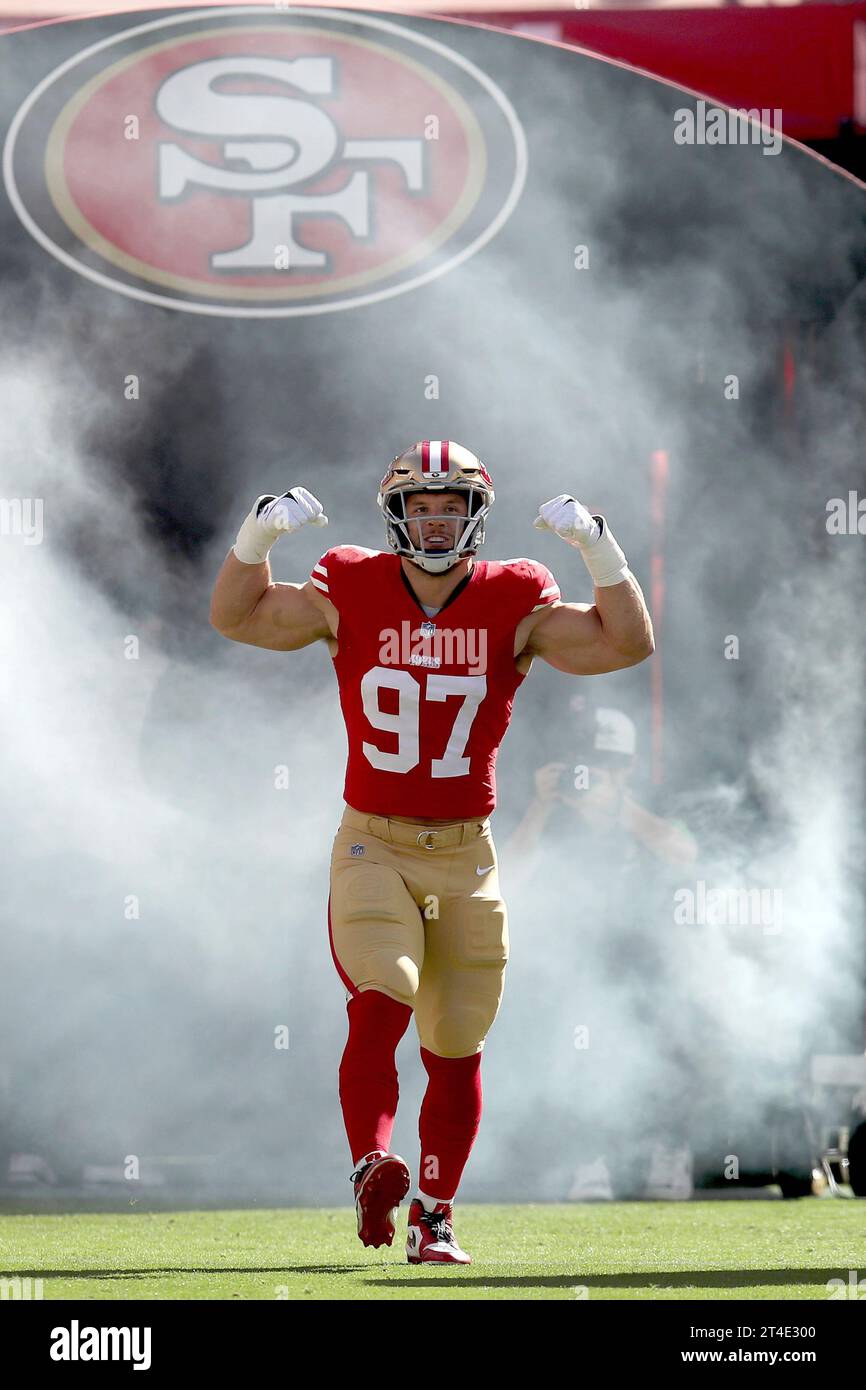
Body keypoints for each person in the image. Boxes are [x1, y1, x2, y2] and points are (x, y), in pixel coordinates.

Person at [209, 439, 654, 1262]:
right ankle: (373, 1165)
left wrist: (601, 547)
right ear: (396, 514)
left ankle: (435, 1217)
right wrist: (257, 539)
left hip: (468, 856)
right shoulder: (350, 583)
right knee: (386, 993)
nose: (437, 519)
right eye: (422, 506)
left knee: (456, 1045)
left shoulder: (516, 595)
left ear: (475, 516)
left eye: (452, 506)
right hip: (371, 842)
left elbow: (626, 645)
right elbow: (234, 616)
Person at [504, 704, 699, 1201]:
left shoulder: (646, 805)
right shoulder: (554, 813)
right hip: (577, 957)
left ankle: (666, 1155)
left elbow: (687, 853)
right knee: (573, 1057)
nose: (595, 774)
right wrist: (543, 806)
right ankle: (585, 1158)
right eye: (587, 762)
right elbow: (507, 878)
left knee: (666, 1052)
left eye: (609, 763)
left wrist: (621, 810)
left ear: (628, 767)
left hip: (644, 955)